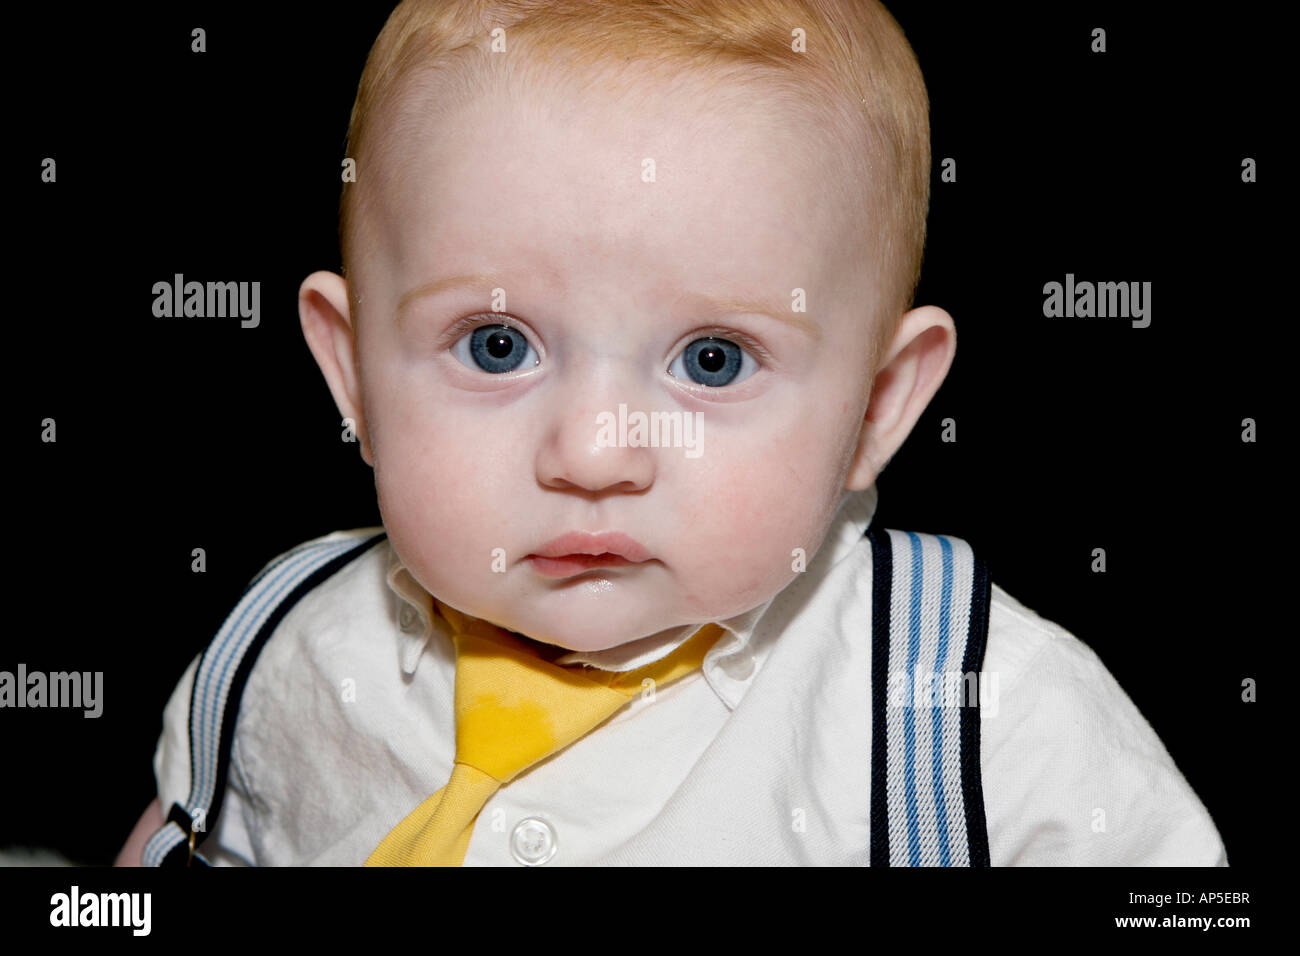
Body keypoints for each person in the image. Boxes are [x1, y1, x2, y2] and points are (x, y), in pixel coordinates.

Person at [118, 0, 1225, 866]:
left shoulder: (977, 706)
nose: (595, 453)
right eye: (496, 344)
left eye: (713, 360)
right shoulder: (280, 645)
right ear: (350, 371)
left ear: (875, 408)